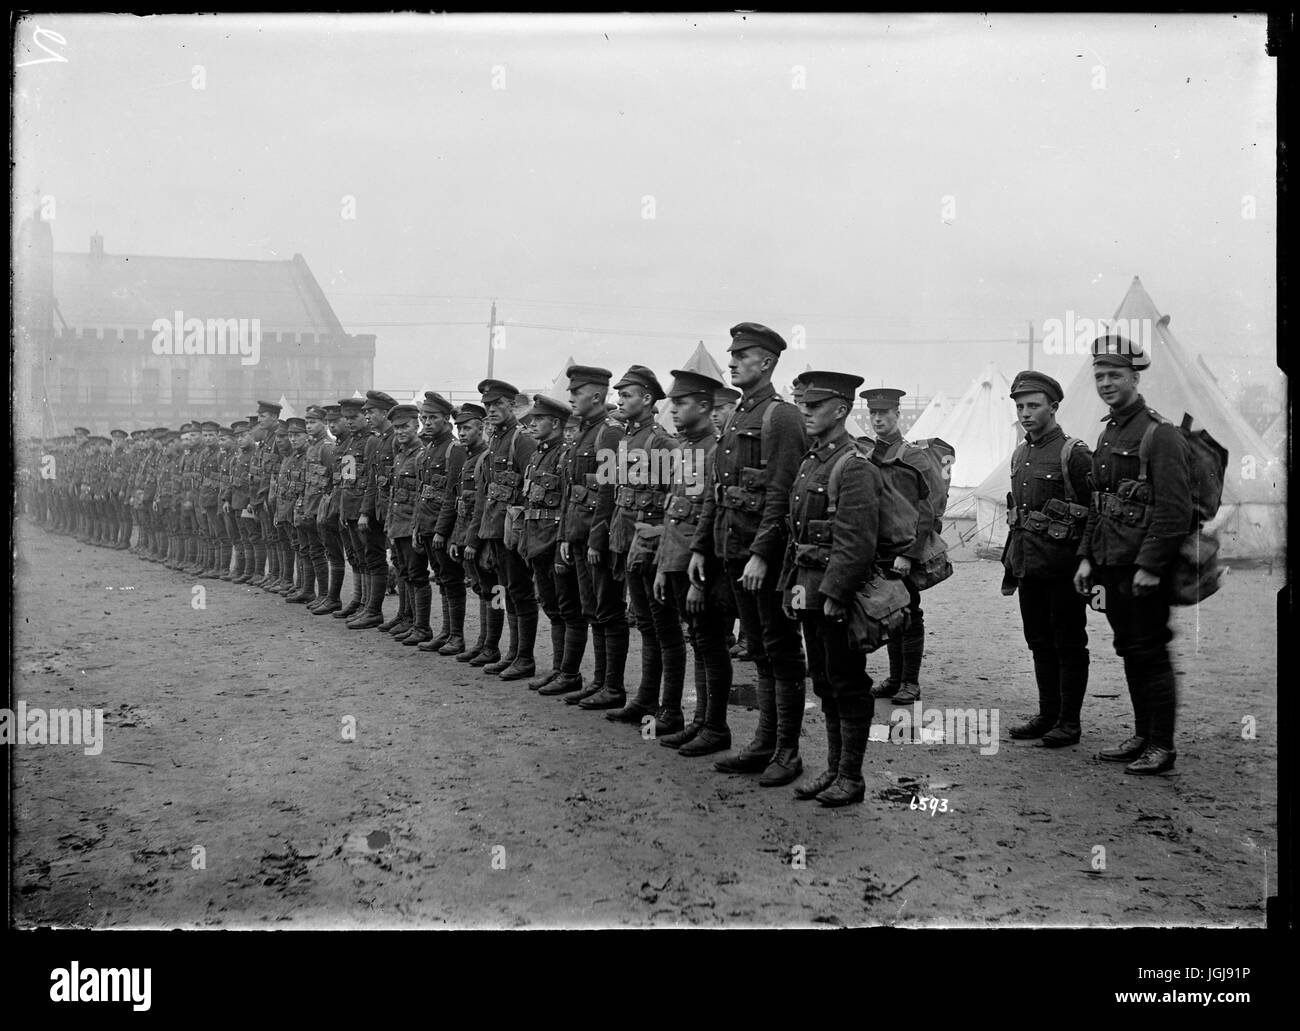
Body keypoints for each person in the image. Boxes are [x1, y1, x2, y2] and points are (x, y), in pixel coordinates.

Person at [688, 322, 809, 787]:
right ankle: (762, 744)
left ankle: (787, 751)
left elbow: (783, 493)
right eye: (732, 354)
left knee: (781, 650)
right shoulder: (739, 415)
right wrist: (703, 547)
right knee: (759, 649)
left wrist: (762, 554)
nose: (733, 361)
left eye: (742, 355)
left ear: (768, 362)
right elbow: (717, 493)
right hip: (733, 553)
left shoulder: (781, 417)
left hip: (766, 558)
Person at [1074, 333, 1192, 775]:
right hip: (1109, 565)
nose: (1106, 383)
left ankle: (1162, 745)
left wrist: (1150, 566)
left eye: (1115, 375)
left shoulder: (1159, 434)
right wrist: (1086, 557)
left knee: (1150, 650)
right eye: (1100, 375)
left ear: (1134, 378)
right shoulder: (1108, 432)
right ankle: (1143, 735)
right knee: (1130, 648)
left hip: (1140, 569)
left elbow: (1174, 510)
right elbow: (1097, 503)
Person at [780, 371, 882, 806]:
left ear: (840, 410)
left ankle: (852, 777)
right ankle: (834, 769)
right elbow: (796, 533)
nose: (805, 411)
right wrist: (791, 588)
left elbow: (856, 543)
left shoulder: (854, 465)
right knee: (824, 680)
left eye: (814, 405)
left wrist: (836, 596)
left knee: (847, 681)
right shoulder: (810, 462)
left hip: (835, 597)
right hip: (809, 589)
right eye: (803, 404)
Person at [1000, 370, 1093, 748]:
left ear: (1053, 407)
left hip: (1064, 567)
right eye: (1020, 406)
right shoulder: (1020, 453)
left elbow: (1094, 513)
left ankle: (1069, 722)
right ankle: (1047, 714)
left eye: (1033, 405)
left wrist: (1087, 561)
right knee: (1038, 640)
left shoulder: (1075, 453)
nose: (1025, 413)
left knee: (1068, 642)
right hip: (1029, 565)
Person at [654, 369, 733, 755]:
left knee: (711, 643)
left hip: (700, 568)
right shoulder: (686, 449)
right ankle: (702, 721)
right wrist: (662, 566)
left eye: (681, 402)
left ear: (704, 406)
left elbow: (712, 518)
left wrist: (701, 580)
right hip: (679, 562)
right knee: (700, 642)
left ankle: (715, 727)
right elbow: (675, 514)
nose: (675, 409)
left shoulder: (716, 451)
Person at [604, 366, 685, 733]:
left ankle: (671, 709)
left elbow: (678, 503)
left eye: (627, 395)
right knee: (647, 627)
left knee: (665, 629)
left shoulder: (663, 444)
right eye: (619, 396)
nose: (621, 401)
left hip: (653, 547)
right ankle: (646, 699)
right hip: (631, 544)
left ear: (648, 399)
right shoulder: (626, 440)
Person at [559, 366, 630, 708]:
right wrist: (567, 535)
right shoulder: (586, 433)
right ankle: (600, 682)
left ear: (598, 396)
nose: (571, 397)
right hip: (579, 533)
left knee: (608, 609)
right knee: (592, 609)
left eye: (577, 392)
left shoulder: (610, 434)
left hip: (595, 538)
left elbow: (607, 492)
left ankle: (613, 688)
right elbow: (570, 491)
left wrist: (596, 540)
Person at [862, 388, 934, 707]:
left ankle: (910, 682)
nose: (878, 419)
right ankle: (894, 679)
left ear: (897, 414)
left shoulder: (913, 456)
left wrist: (909, 553)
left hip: (905, 548)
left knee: (909, 611)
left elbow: (929, 509)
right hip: (878, 549)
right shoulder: (868, 456)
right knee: (890, 612)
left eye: (884, 413)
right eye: (873, 413)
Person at [469, 378, 539, 679]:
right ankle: (512, 653)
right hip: (496, 528)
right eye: (487, 405)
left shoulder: (521, 440)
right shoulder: (496, 439)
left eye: (497, 404)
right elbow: (487, 491)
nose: (492, 410)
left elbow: (530, 487)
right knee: (507, 592)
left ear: (512, 405)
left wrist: (521, 533)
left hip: (514, 531)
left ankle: (524, 658)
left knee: (520, 592)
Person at [516, 394, 586, 694]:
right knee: (553, 608)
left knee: (569, 609)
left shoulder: (565, 455)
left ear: (555, 423)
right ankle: (559, 669)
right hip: (536, 541)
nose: (531, 424)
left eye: (537, 419)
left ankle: (570, 674)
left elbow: (570, 504)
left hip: (555, 542)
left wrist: (562, 543)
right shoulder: (536, 456)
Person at [413, 392, 467, 653]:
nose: (427, 422)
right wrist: (418, 527)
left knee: (452, 580)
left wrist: (441, 531)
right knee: (443, 580)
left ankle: (456, 636)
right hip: (428, 524)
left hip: (444, 528)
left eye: (433, 417)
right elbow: (422, 492)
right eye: (424, 417)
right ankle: (446, 632)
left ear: (446, 419)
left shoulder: (454, 450)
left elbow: (452, 494)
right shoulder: (429, 449)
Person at [347, 391, 398, 630]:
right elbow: (371, 480)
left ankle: (396, 615)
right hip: (377, 510)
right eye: (365, 412)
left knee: (401, 563)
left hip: (393, 511)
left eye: (371, 412)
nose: (367, 416)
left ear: (385, 413)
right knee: (373, 558)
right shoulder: (377, 441)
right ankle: (372, 610)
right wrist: (366, 512)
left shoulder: (396, 439)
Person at [386, 404, 433, 645]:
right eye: (396, 428)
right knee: (404, 571)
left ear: (417, 425)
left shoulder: (421, 454)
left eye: (404, 426)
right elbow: (396, 493)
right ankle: (408, 619)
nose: (400, 431)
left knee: (416, 574)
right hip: (399, 523)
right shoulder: (401, 453)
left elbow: (421, 496)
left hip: (412, 524)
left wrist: (416, 527)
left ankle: (422, 627)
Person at [447, 403, 492, 660]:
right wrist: (457, 537)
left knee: (492, 590)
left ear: (481, 428)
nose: (462, 433)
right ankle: (483, 643)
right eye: (459, 428)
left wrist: (471, 540)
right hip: (468, 531)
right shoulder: (469, 458)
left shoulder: (484, 458)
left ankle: (491, 645)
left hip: (482, 534)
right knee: (480, 588)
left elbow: (482, 505)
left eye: (467, 428)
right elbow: (461, 503)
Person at [333, 397, 370, 618]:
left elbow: (370, 481)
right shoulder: (348, 444)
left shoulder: (369, 442)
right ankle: (358, 599)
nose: (349, 422)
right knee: (355, 556)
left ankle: (367, 603)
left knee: (366, 557)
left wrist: (364, 511)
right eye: (346, 418)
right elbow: (347, 480)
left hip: (362, 509)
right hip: (349, 507)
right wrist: (343, 509)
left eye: (354, 417)